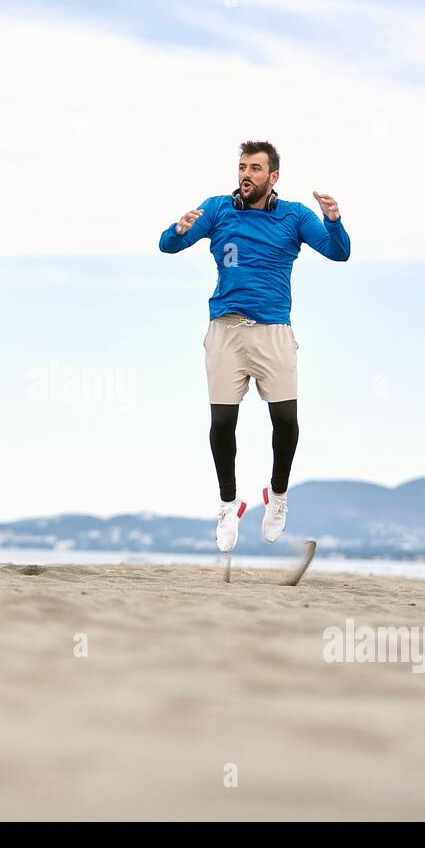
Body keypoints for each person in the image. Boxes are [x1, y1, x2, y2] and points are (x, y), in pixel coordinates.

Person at [159, 140, 350, 552]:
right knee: (223, 424)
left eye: (256, 169)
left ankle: (277, 496)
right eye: (242, 167)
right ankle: (229, 505)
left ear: (273, 176)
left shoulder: (295, 216)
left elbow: (339, 253)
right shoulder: (217, 208)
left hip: (273, 331)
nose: (246, 175)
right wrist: (176, 231)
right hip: (225, 330)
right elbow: (167, 246)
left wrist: (333, 220)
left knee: (285, 422)